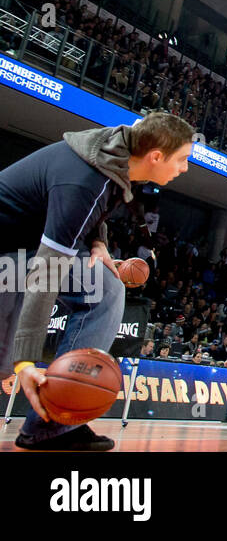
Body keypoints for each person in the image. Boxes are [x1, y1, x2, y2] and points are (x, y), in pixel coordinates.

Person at [0, 113, 193, 450]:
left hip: (24, 249)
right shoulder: (86, 180)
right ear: (156, 156)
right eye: (182, 159)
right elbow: (46, 272)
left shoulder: (115, 153)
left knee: (105, 288)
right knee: (95, 292)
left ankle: (54, 424)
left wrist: (98, 241)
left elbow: (90, 209)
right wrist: (26, 361)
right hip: (10, 256)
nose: (185, 168)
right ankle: (51, 420)